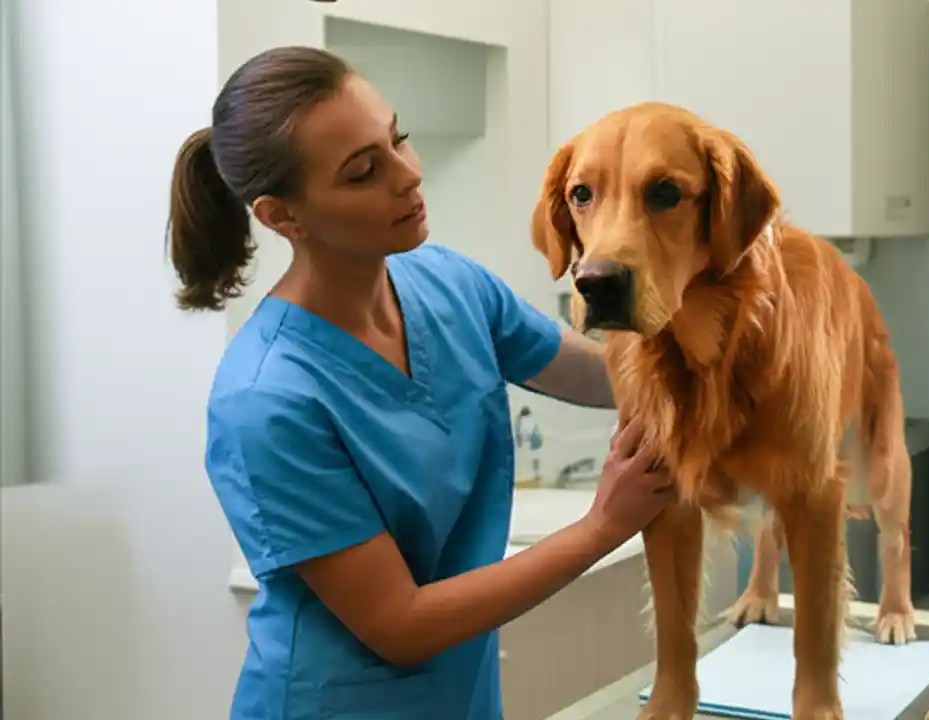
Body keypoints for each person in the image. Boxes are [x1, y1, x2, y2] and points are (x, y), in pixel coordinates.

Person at [166, 46, 675, 719]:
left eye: (397, 138)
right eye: (363, 172)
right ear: (282, 217)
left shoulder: (448, 284)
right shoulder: (267, 399)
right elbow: (400, 624)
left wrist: (715, 349)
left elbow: (611, 377)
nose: (408, 175)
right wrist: (604, 524)